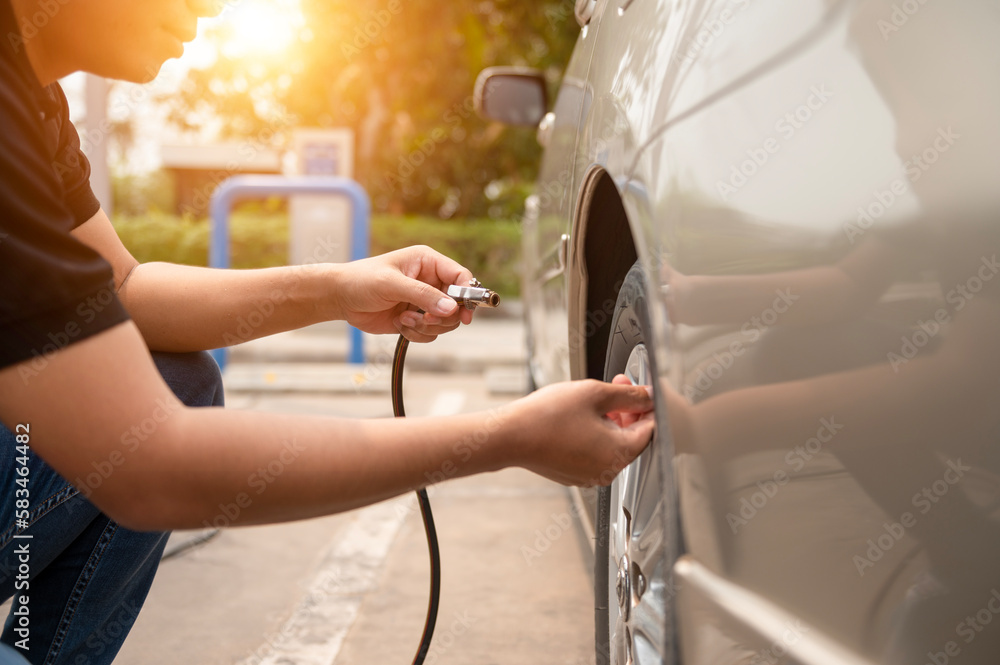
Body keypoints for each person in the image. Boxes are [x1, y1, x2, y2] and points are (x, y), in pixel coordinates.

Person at [0, 1, 656, 663]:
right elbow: (151, 467)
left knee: (181, 381)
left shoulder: (34, 102)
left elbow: (121, 289)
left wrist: (339, 288)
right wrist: (508, 436)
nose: (210, 5)